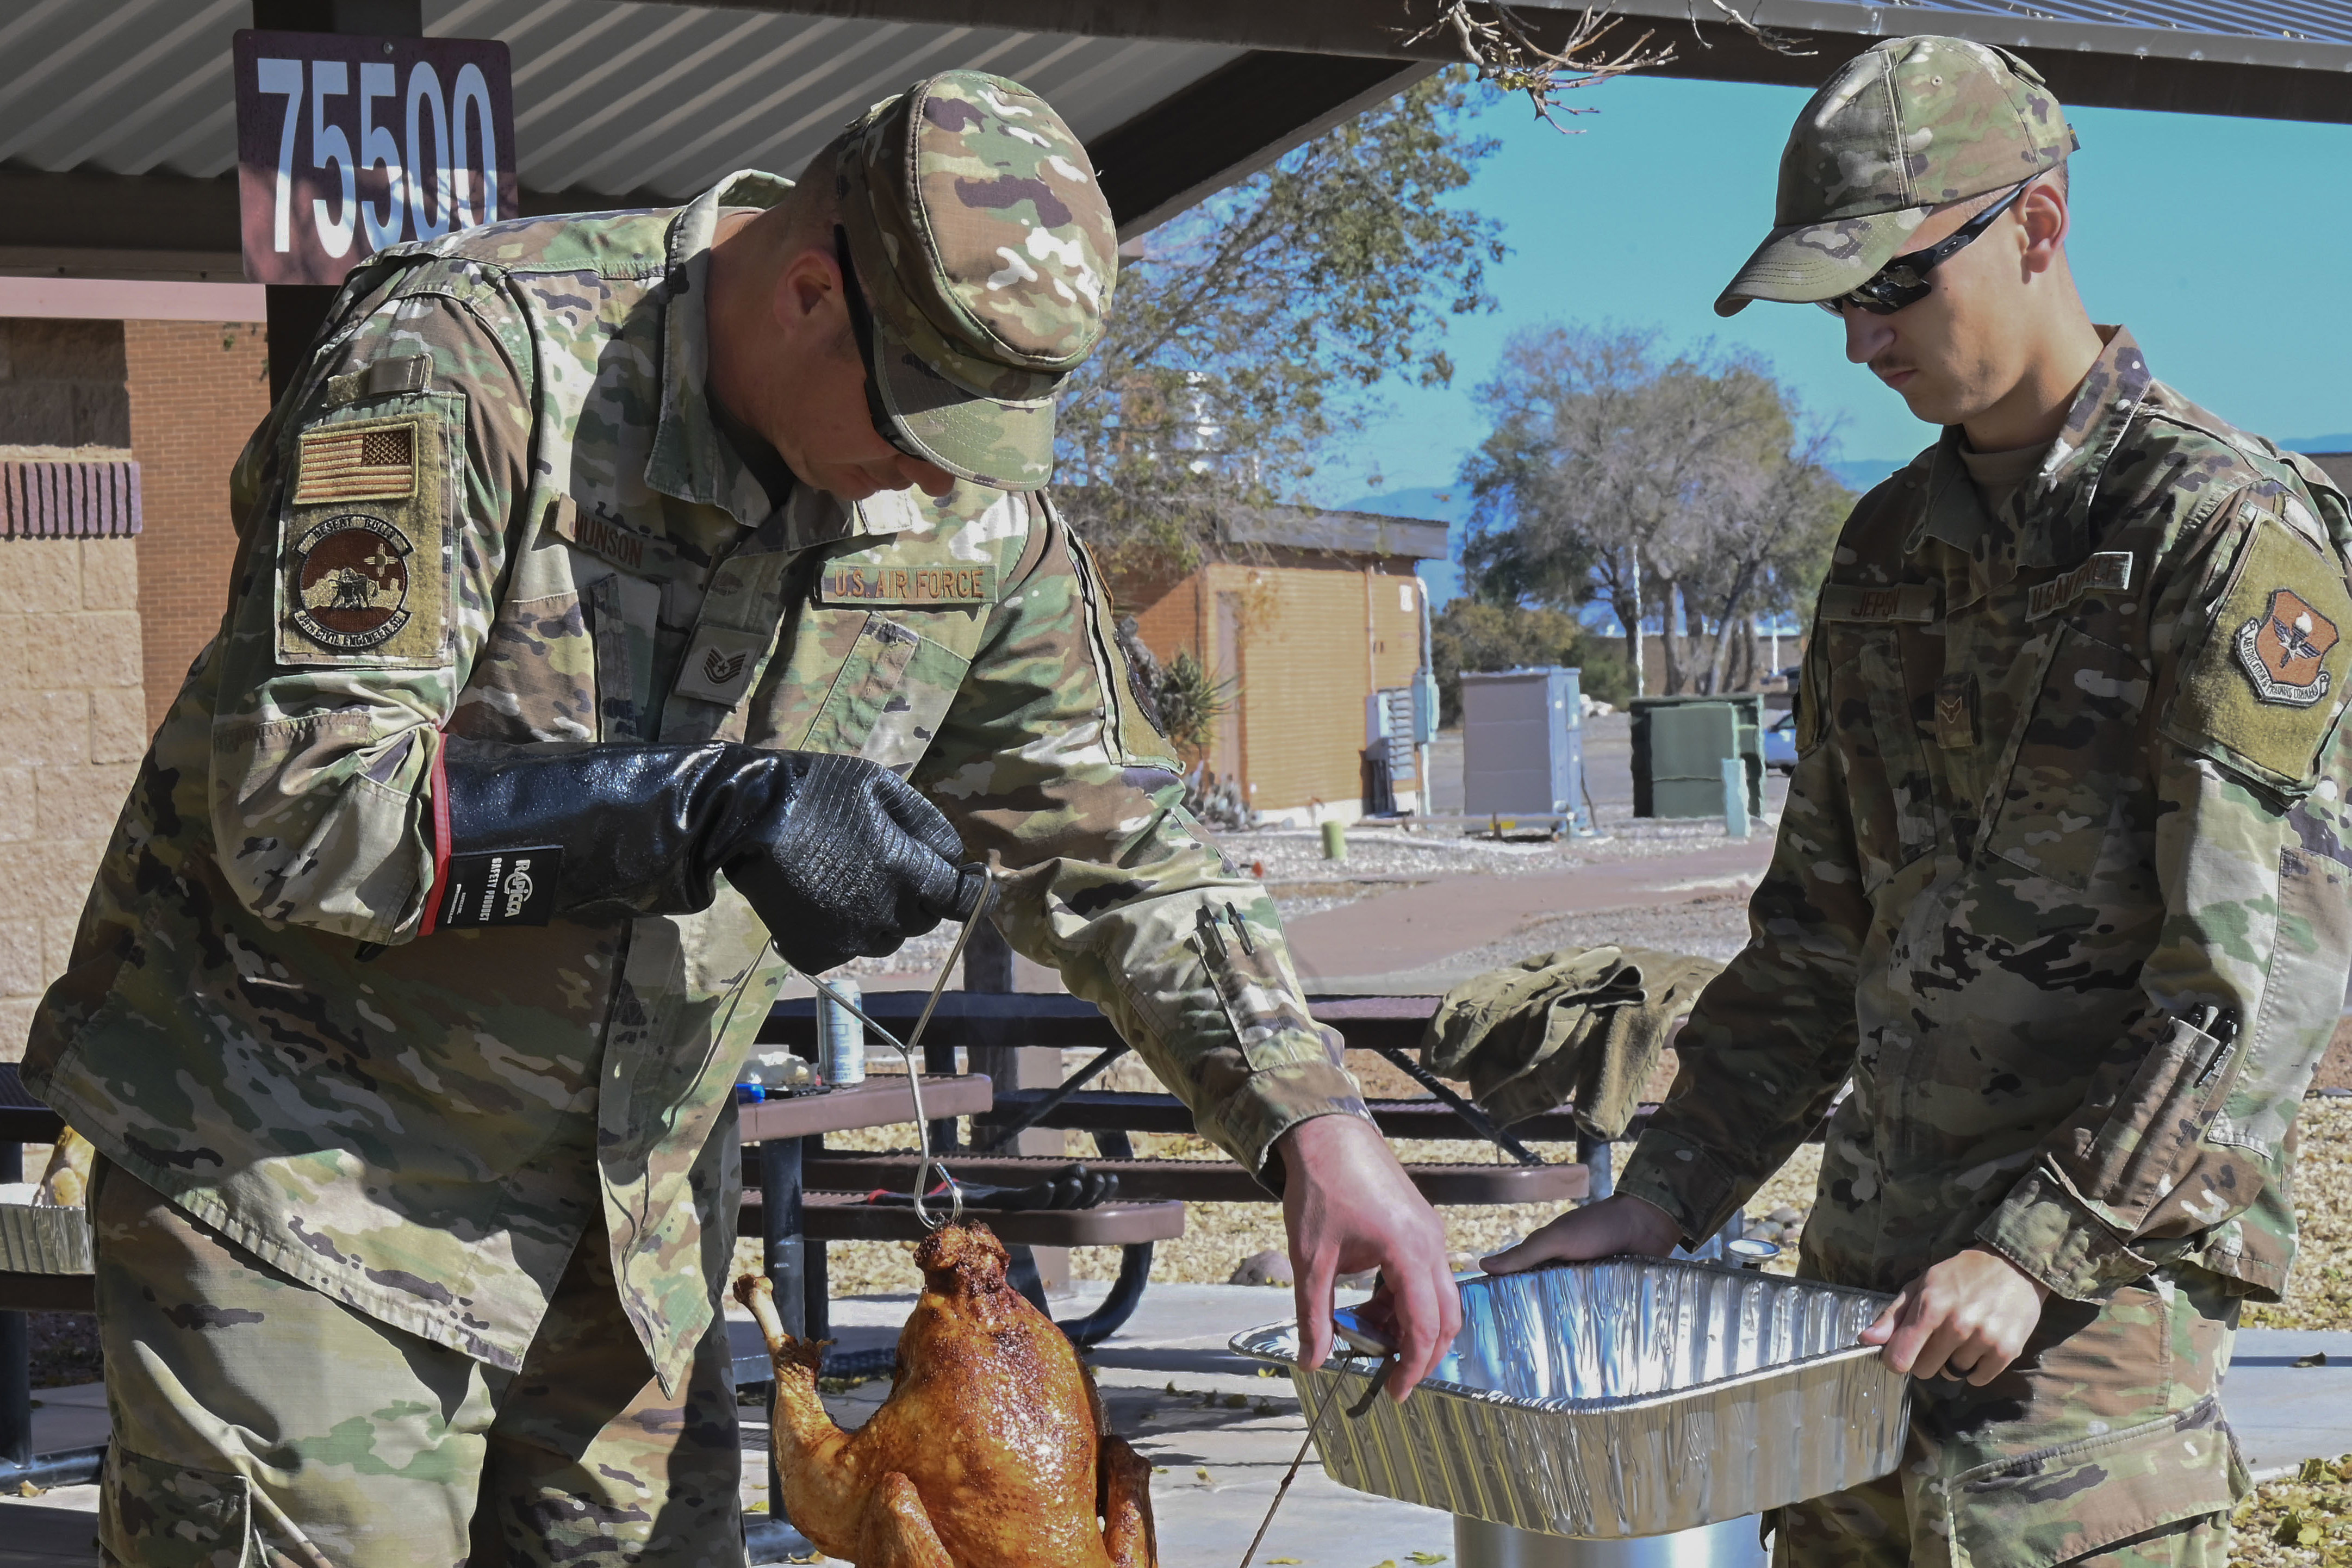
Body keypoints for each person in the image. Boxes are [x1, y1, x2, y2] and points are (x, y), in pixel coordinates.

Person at [27, 71, 1458, 1565]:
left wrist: (1317, 1124)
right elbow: (302, 806)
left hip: (626, 1246)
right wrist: (699, 807)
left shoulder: (960, 509)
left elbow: (1122, 849)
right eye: (916, 424)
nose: (934, 480)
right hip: (306, 1194)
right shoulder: (464, 363)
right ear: (807, 289)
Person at [1488, 35, 2352, 1568]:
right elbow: (1818, 936)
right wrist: (1670, 1192)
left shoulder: (2222, 539)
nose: (1861, 342)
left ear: (2037, 224)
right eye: (1842, 302)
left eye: (1895, 286)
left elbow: (2249, 992)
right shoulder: (1886, 552)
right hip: (1860, 1333)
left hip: (2080, 1370)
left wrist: (2035, 1249)